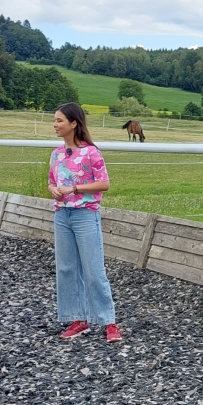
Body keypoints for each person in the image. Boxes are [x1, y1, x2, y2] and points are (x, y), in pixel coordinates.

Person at [48, 102, 122, 343]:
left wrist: (75, 188)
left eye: (59, 120)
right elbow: (51, 181)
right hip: (62, 215)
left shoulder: (91, 153)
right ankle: (78, 319)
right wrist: (54, 190)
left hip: (85, 215)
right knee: (66, 268)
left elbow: (104, 183)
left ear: (74, 123)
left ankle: (109, 322)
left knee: (93, 269)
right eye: (55, 120)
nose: (55, 125)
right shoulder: (56, 154)